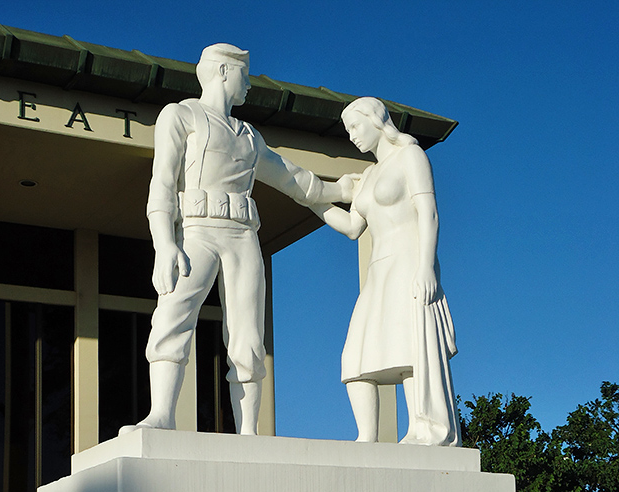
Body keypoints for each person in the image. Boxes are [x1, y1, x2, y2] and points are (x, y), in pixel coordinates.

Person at [121, 44, 351, 436]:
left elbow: (294, 180)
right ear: (224, 71)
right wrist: (164, 243)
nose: (249, 85)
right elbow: (162, 183)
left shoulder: (249, 136)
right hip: (196, 229)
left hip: (242, 235)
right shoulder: (181, 115)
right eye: (245, 75)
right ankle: (161, 414)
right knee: (173, 316)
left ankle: (248, 432)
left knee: (248, 336)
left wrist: (341, 190)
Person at [311, 97, 460, 445]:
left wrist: (426, 266)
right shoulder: (368, 176)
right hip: (379, 271)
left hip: (409, 261)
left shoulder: (411, 156)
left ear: (375, 120)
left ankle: (425, 430)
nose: (351, 136)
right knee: (355, 356)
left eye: (355, 126)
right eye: (347, 130)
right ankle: (366, 439)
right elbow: (352, 227)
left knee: (411, 348)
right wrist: (310, 200)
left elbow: (428, 213)